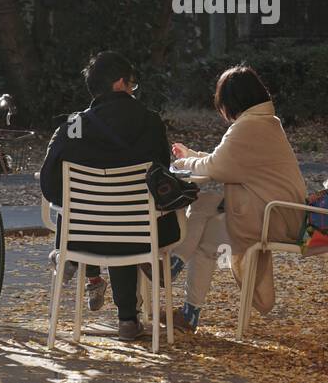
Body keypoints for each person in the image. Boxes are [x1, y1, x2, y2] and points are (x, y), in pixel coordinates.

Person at [40, 51, 181, 341]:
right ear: (119, 84)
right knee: (127, 221)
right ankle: (128, 319)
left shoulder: (72, 128)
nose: (133, 90)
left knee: (99, 219)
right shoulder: (151, 122)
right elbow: (160, 176)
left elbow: (50, 184)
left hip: (83, 236)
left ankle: (67, 259)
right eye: (132, 84)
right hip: (139, 233)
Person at [170, 65, 306, 331]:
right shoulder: (266, 123)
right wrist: (191, 156)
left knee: (205, 226)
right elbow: (226, 162)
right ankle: (182, 286)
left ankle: (179, 275)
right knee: (206, 208)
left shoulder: (248, 128)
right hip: (280, 213)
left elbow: (218, 167)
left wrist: (184, 162)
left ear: (231, 103)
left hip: (272, 218)